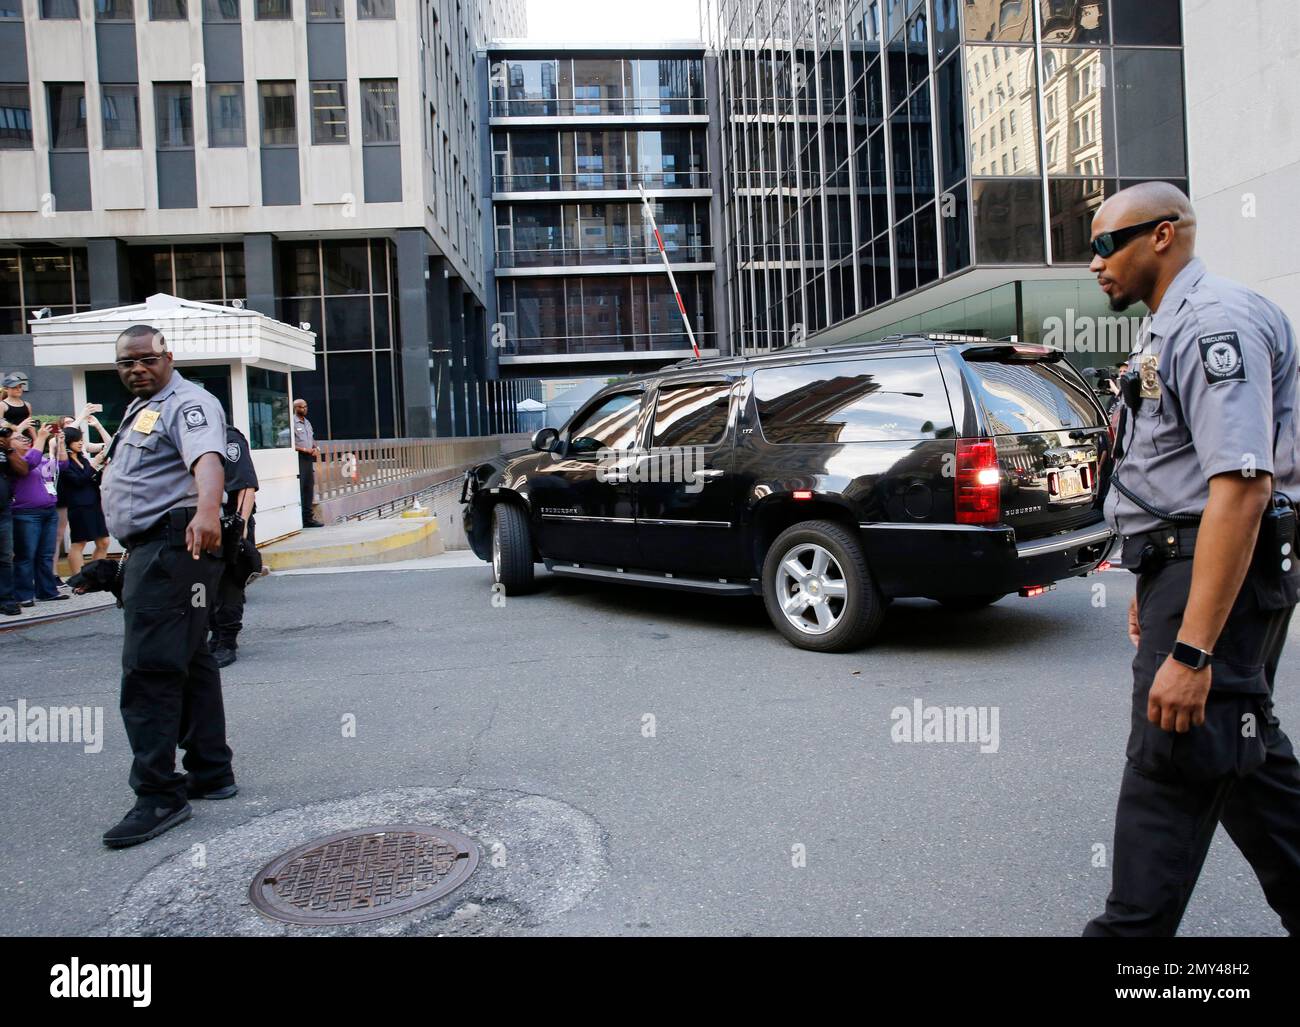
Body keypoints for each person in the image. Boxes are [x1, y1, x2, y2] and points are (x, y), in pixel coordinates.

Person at [1083, 181, 1300, 936]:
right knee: (1241, 760)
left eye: (1107, 243)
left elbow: (1241, 484)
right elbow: (1173, 472)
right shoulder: (1169, 327)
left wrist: (1194, 646)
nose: (1094, 263)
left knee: (1167, 769)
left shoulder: (1213, 321)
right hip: (1190, 566)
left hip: (1217, 575)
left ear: (1165, 235)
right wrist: (1155, 575)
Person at [93, 324, 237, 848]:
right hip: (156, 549)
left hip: (174, 548)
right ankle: (210, 770)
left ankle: (158, 794)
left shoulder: (187, 402)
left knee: (149, 669)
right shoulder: (143, 406)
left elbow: (207, 459)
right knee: (191, 661)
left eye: (145, 360)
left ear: (167, 357)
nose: (136, 369)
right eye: (126, 363)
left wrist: (206, 510)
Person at [209, 423, 260, 669]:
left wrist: (240, 526)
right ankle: (214, 633)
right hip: (201, 523)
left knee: (228, 586)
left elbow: (245, 486)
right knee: (205, 586)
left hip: (229, 523)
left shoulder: (228, 438)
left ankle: (227, 641)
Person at [9, 421, 67, 607]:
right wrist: (40, 437)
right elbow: (30, 463)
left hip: (48, 511)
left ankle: (47, 591)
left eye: (26, 437)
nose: (25, 440)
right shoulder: (14, 460)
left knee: (45, 554)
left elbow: (61, 466)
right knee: (26, 555)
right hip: (26, 513)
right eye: (19, 438)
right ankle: (24, 594)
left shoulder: (35, 456)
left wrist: (60, 444)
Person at [57, 426, 110, 576]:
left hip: (94, 502)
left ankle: (94, 574)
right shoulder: (64, 462)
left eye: (81, 440)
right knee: (79, 542)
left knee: (104, 541)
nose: (80, 443)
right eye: (76, 440)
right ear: (68, 442)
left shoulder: (82, 459)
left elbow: (90, 477)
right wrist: (94, 465)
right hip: (78, 505)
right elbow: (78, 480)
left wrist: (100, 467)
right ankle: (78, 577)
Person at [0, 424, 30, 616]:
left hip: (3, 511)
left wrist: (8, 447)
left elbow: (23, 470)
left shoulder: (5, 450)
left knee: (5, 558)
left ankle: (6, 599)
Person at [293, 398, 323, 528]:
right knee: (299, 488)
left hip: (308, 459)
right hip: (298, 458)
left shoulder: (307, 423)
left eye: (305, 406)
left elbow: (311, 439)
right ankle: (297, 519)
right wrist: (304, 449)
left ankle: (308, 519)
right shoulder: (292, 423)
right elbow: (289, 445)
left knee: (308, 489)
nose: (304, 409)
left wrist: (316, 448)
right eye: (301, 407)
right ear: (295, 408)